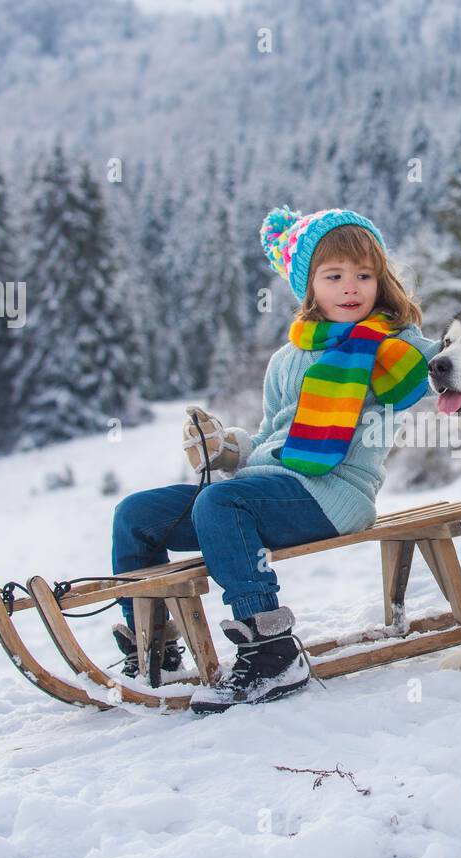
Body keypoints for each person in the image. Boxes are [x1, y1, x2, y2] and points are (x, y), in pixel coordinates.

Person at [110, 206, 440, 713]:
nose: (350, 287)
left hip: (336, 494)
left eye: (363, 275)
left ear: (380, 281)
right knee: (136, 515)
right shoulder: (287, 358)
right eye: (334, 276)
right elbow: (270, 435)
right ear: (308, 286)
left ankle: (271, 652)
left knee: (220, 504)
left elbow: (444, 369)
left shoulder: (394, 348)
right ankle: (154, 647)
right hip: (266, 488)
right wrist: (224, 447)